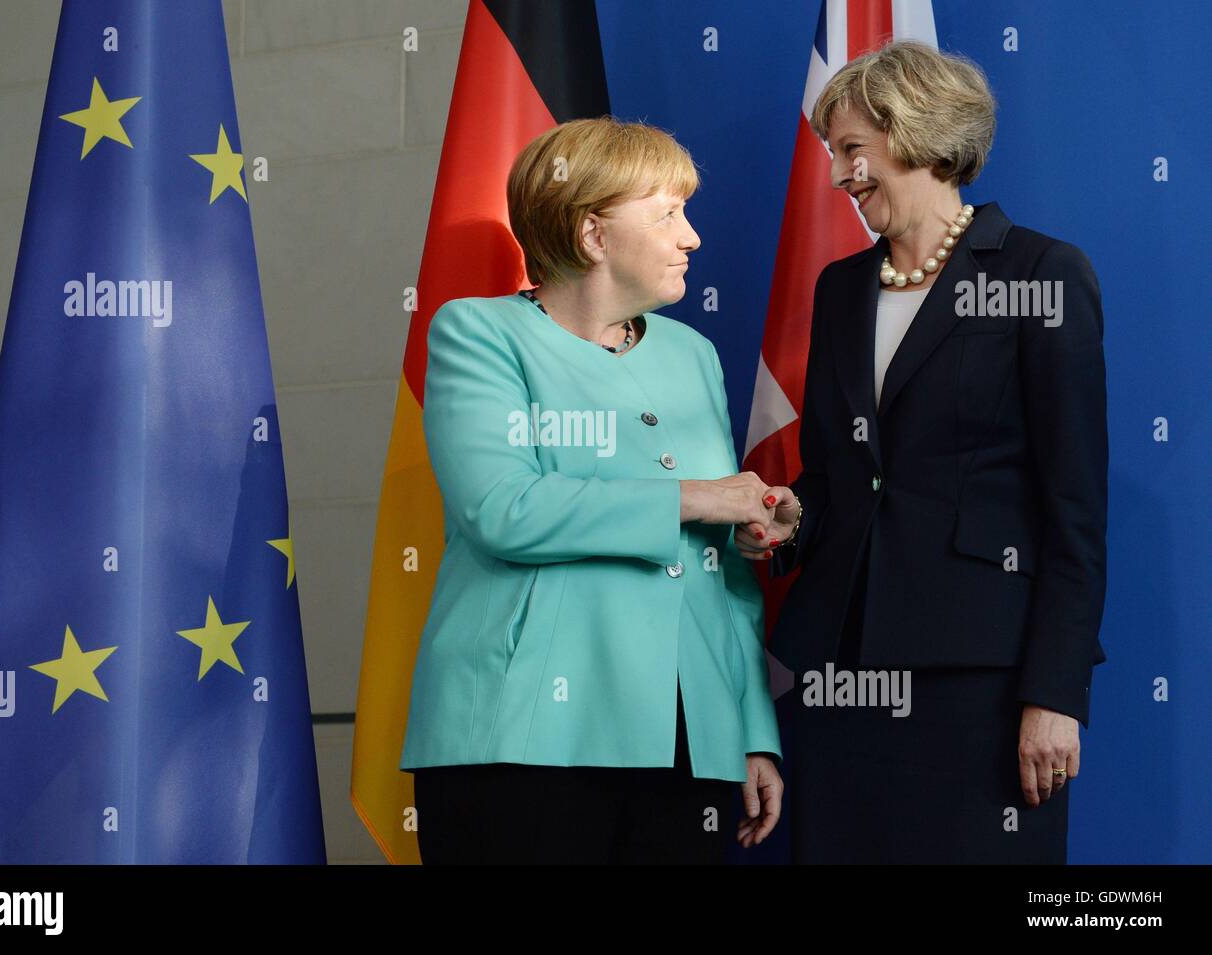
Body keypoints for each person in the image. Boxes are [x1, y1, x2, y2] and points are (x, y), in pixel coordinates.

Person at [737, 41, 1108, 863]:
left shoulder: (1041, 272)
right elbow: (836, 479)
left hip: (981, 680)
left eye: (852, 149)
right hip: (842, 667)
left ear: (918, 134)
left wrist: (1056, 693)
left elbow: (1074, 508)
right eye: (835, 154)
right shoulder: (840, 289)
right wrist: (779, 518)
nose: (840, 175)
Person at [399, 117, 784, 864]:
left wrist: (749, 728)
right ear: (593, 236)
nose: (692, 236)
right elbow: (503, 509)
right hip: (519, 742)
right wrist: (699, 497)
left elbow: (723, 570)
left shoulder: (694, 354)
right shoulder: (477, 334)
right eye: (668, 212)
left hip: (684, 737)